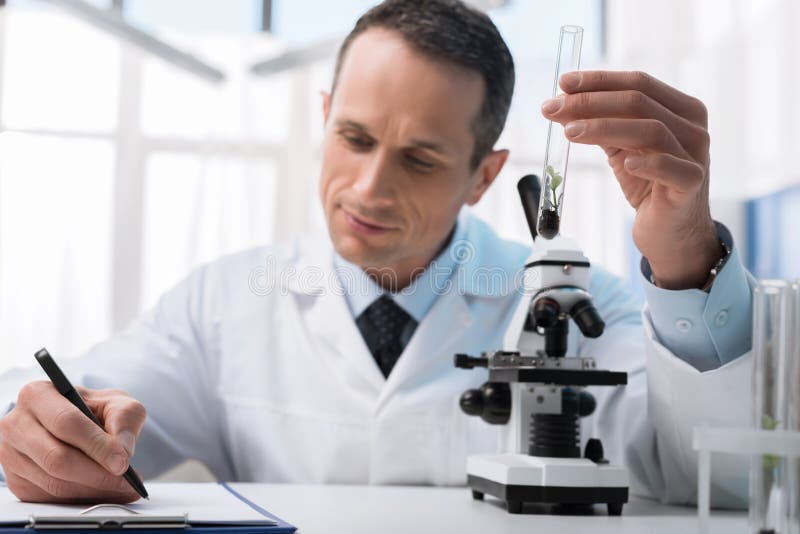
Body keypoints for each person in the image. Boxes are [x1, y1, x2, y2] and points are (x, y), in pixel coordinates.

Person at [0, 0, 753, 507]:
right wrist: (39, 433)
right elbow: (87, 412)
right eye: (354, 139)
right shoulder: (222, 306)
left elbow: (716, 475)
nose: (369, 188)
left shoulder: (569, 303)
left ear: (484, 176)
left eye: (421, 159)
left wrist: (687, 258)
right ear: (324, 117)